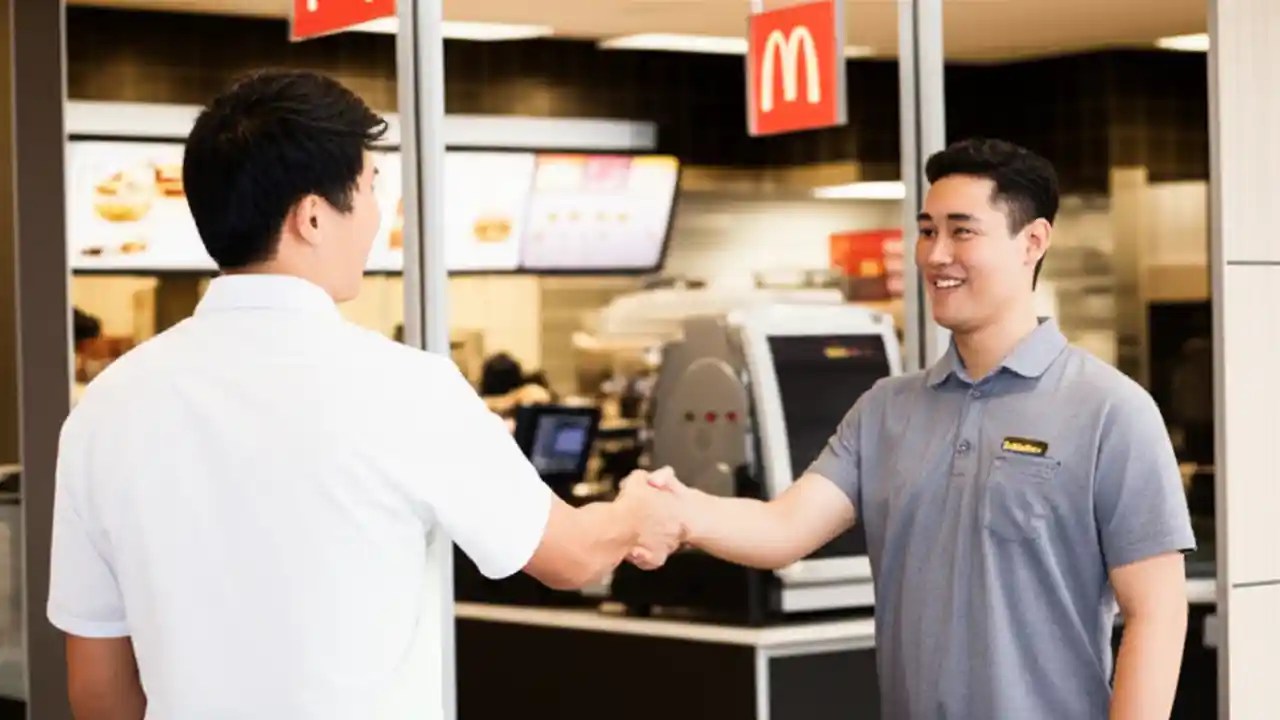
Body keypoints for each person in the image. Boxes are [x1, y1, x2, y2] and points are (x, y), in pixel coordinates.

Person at [48, 69, 684, 720]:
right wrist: (639, 513)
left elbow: (98, 688)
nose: (379, 216)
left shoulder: (107, 406)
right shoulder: (407, 387)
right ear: (314, 217)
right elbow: (572, 556)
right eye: (372, 188)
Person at [638, 138, 1195, 719]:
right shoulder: (886, 410)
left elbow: (1157, 613)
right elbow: (783, 528)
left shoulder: (1110, 410)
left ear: (1032, 242)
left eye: (962, 231)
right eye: (928, 231)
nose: (935, 255)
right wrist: (680, 511)